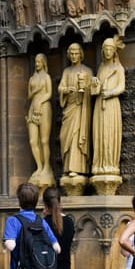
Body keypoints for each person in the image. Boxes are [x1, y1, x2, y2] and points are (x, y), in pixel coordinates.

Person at [91, 36, 126, 177]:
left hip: (111, 105)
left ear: (114, 51)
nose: (107, 52)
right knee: (99, 134)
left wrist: (110, 93)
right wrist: (95, 83)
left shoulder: (118, 68)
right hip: (100, 104)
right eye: (105, 49)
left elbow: (121, 87)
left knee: (109, 133)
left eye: (110, 49)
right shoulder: (102, 67)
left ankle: (110, 164)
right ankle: (99, 164)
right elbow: (98, 88)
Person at [58, 43, 93, 177]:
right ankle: (67, 167)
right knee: (64, 136)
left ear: (81, 55)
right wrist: (67, 90)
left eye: (76, 53)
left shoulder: (87, 71)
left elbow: (93, 90)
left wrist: (86, 87)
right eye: (71, 54)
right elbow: (61, 87)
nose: (73, 56)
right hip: (69, 108)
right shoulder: (67, 71)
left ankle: (77, 167)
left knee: (77, 136)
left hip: (81, 108)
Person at [27, 54, 53, 185]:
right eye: (35, 62)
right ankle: (39, 166)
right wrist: (36, 90)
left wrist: (40, 101)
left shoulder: (46, 77)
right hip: (32, 109)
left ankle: (46, 167)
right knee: (33, 141)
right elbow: (29, 95)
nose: (37, 64)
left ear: (44, 63)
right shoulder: (32, 78)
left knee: (44, 140)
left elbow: (49, 93)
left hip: (44, 108)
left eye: (39, 62)